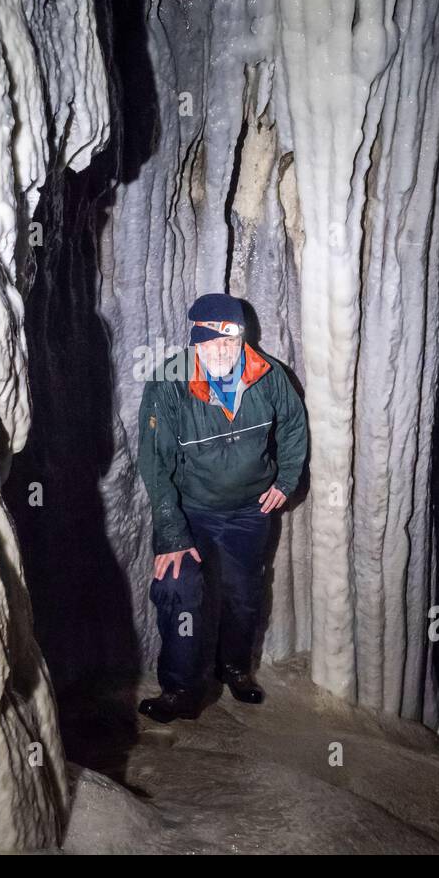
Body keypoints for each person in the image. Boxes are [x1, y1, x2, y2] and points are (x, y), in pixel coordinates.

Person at [135, 293, 309, 723]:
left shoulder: (268, 375)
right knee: (179, 590)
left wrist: (286, 480)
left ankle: (233, 667)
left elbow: (292, 423)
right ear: (194, 342)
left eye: (228, 342)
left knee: (243, 593)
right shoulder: (169, 382)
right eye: (208, 343)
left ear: (241, 339)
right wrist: (172, 532)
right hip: (190, 510)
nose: (219, 351)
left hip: (249, 512)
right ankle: (178, 687)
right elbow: (154, 462)